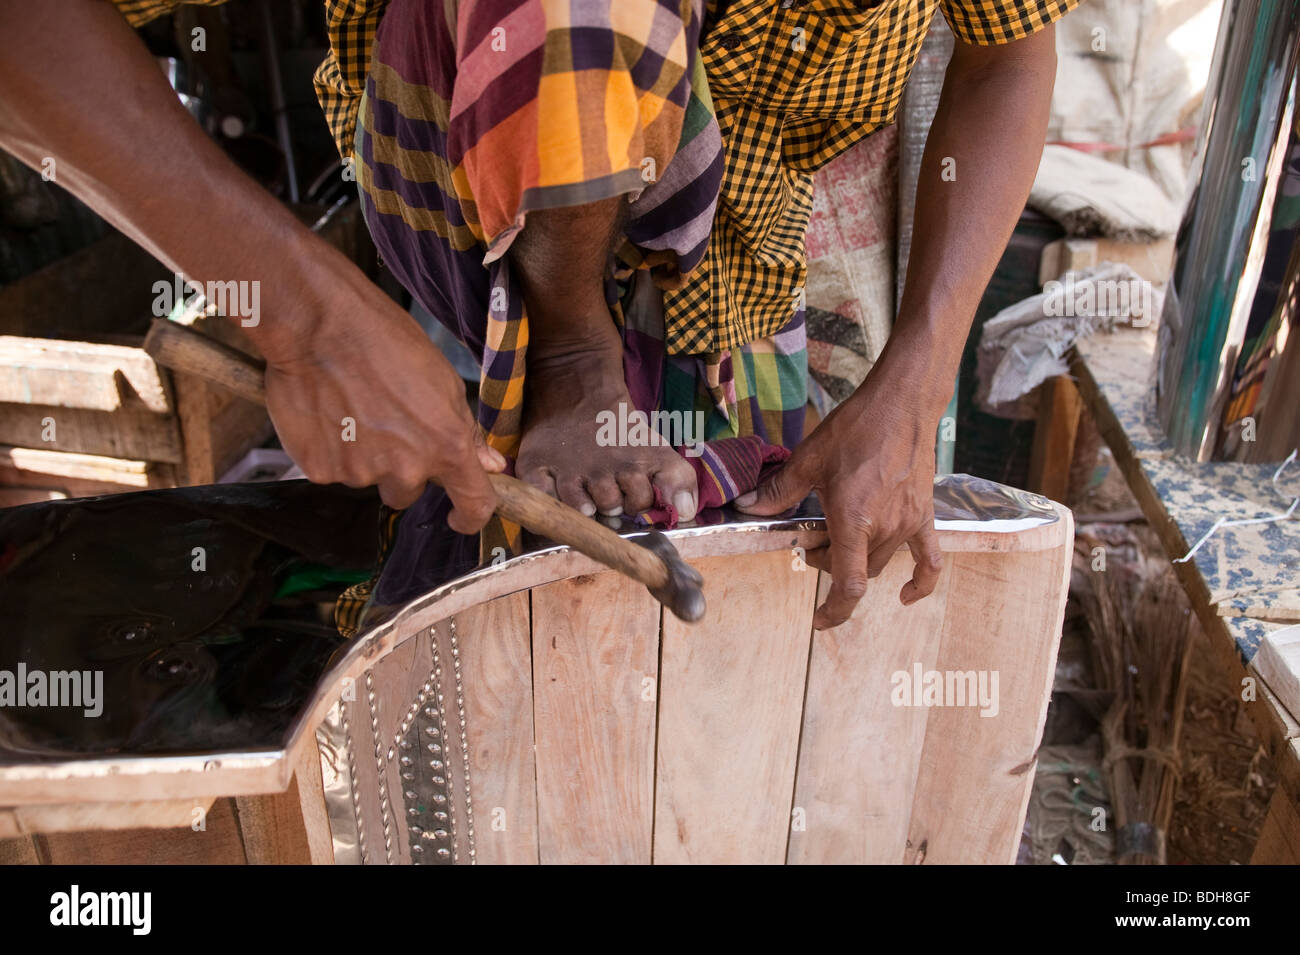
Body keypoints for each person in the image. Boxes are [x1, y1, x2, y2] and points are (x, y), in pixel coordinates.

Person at [0, 0, 1074, 631]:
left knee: (761, 615)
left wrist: (917, 375)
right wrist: (311, 320)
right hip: (473, 183)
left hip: (767, 227)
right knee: (509, 632)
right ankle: (571, 353)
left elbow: (1009, 52)